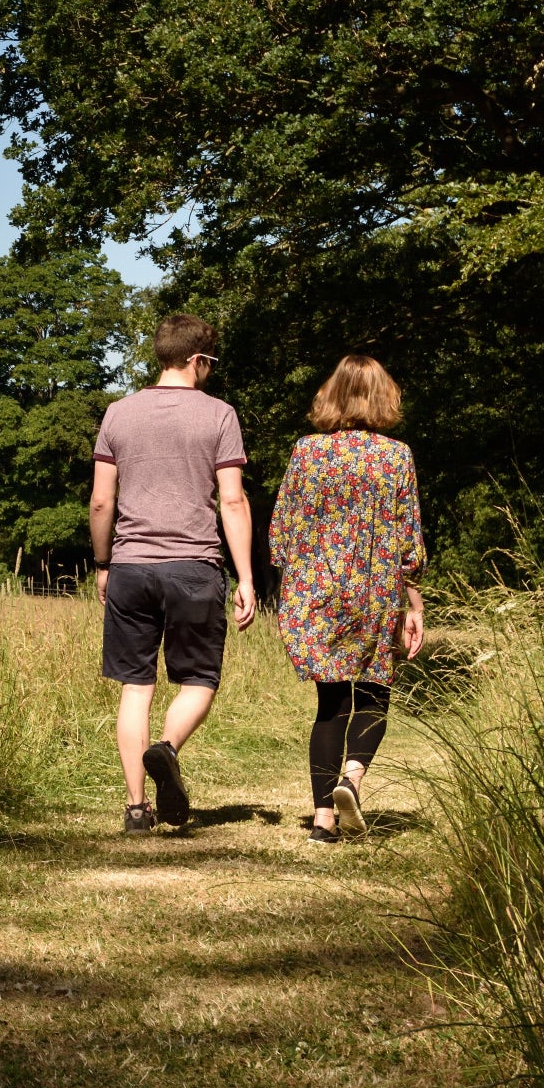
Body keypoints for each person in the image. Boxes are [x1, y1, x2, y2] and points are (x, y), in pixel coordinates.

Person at [88, 312, 259, 834]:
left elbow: (101, 501)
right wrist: (246, 577)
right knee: (200, 679)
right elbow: (233, 501)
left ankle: (136, 809)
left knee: (135, 687)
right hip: (195, 567)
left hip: (130, 567)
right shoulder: (220, 415)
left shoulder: (118, 413)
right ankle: (166, 748)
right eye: (211, 362)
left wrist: (103, 564)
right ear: (196, 359)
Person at [271, 355, 425, 842]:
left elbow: (281, 532)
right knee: (375, 692)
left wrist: (298, 577)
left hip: (315, 591)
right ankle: (351, 779)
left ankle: (322, 821)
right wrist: (415, 603)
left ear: (331, 394)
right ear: (384, 397)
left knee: (330, 701)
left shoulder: (306, 451)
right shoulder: (396, 456)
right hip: (374, 590)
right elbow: (408, 541)